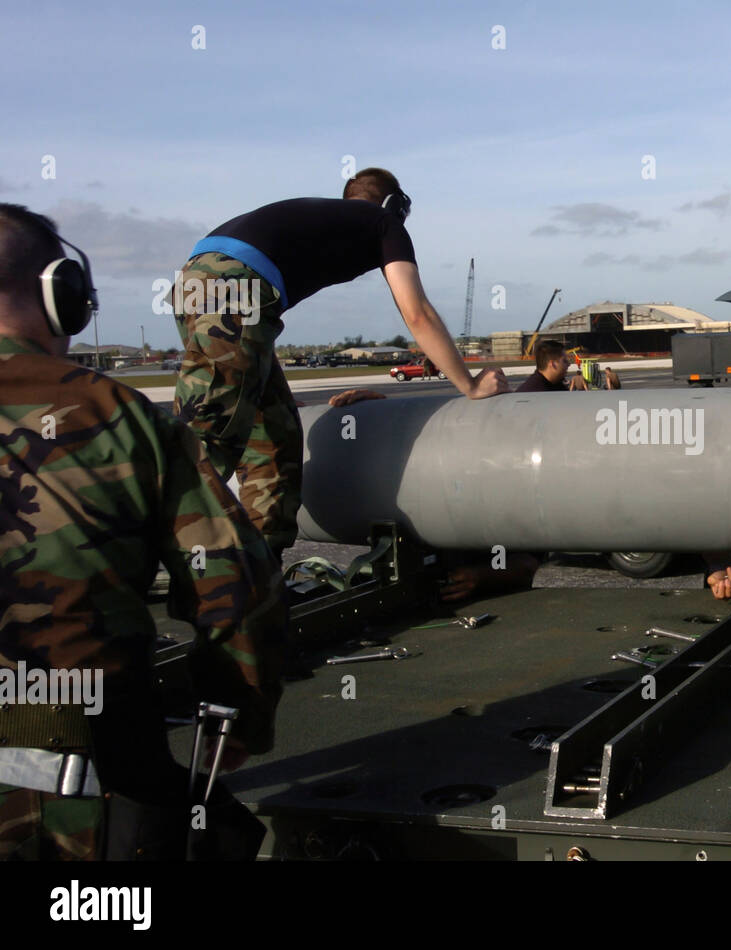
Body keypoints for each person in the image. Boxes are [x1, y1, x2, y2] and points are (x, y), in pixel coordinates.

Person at [0, 204, 286, 860]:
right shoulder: (120, 416)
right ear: (61, 295)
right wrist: (236, 715)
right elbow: (236, 584)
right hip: (90, 782)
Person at [171, 167, 508, 557]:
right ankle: (134, 564)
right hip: (233, 290)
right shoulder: (384, 222)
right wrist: (470, 384)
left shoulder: (329, 217)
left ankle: (258, 574)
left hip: (202, 284)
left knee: (277, 441)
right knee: (209, 440)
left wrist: (259, 384)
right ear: (395, 204)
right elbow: (417, 313)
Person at [516, 340, 620, 392]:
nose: (569, 364)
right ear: (553, 364)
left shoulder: (556, 385)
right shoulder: (532, 392)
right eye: (564, 361)